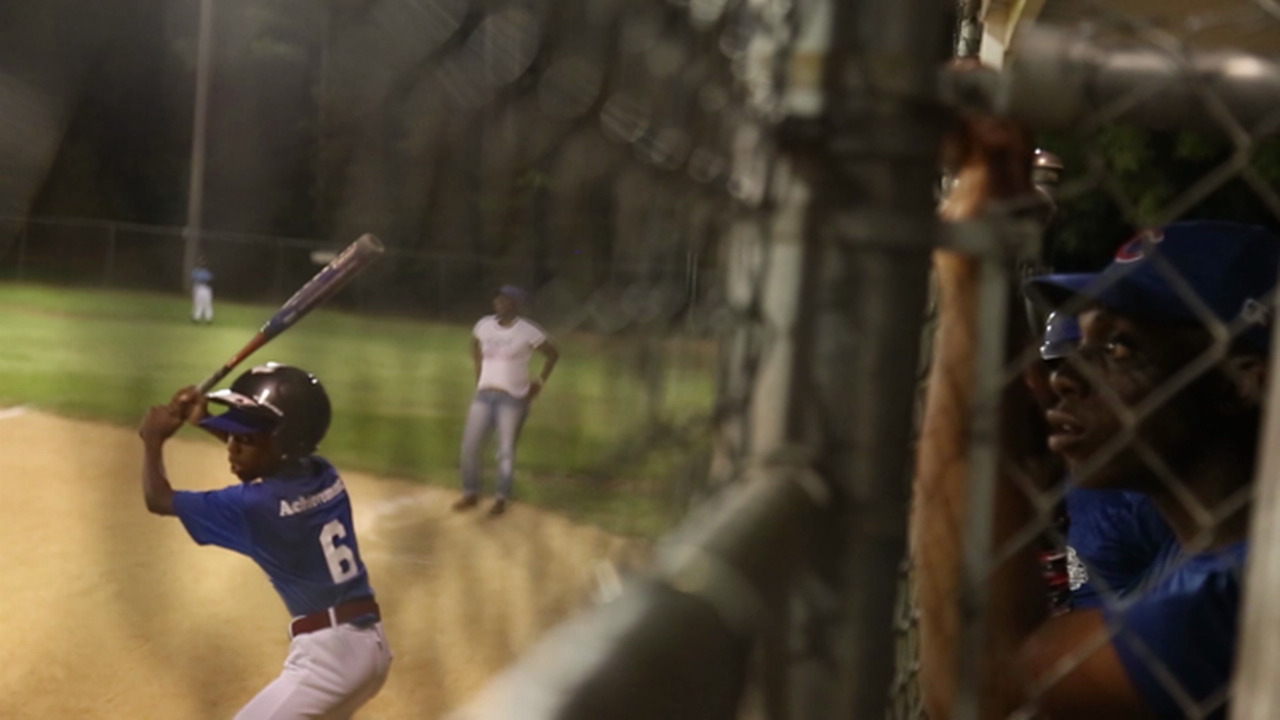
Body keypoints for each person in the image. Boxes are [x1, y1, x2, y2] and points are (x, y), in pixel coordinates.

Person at [1011, 220, 1276, 719]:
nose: (1065, 379)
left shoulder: (1241, 594)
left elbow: (986, 685)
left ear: (1239, 382)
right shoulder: (1220, 563)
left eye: (1118, 347)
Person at [138, 362, 392, 718]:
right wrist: (206, 420)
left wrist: (153, 439)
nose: (232, 449)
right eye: (232, 436)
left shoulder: (254, 506)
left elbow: (158, 499)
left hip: (329, 661)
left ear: (283, 443)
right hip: (370, 648)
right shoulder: (322, 473)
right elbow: (272, 456)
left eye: (244, 439)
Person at [454, 284, 560, 516]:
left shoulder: (528, 331)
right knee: (470, 447)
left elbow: (553, 353)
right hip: (484, 394)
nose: (500, 303)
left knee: (505, 451)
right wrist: (479, 373)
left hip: (513, 398)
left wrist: (539, 382)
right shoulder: (484, 325)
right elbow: (475, 345)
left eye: (506, 300)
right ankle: (471, 493)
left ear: (517, 304)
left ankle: (501, 498)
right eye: (498, 299)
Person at [192, 257, 214, 324]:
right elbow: (211, 280)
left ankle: (196, 318)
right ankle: (208, 318)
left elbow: (193, 279)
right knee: (207, 304)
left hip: (199, 288)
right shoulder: (207, 272)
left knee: (198, 304)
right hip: (206, 288)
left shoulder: (196, 271)